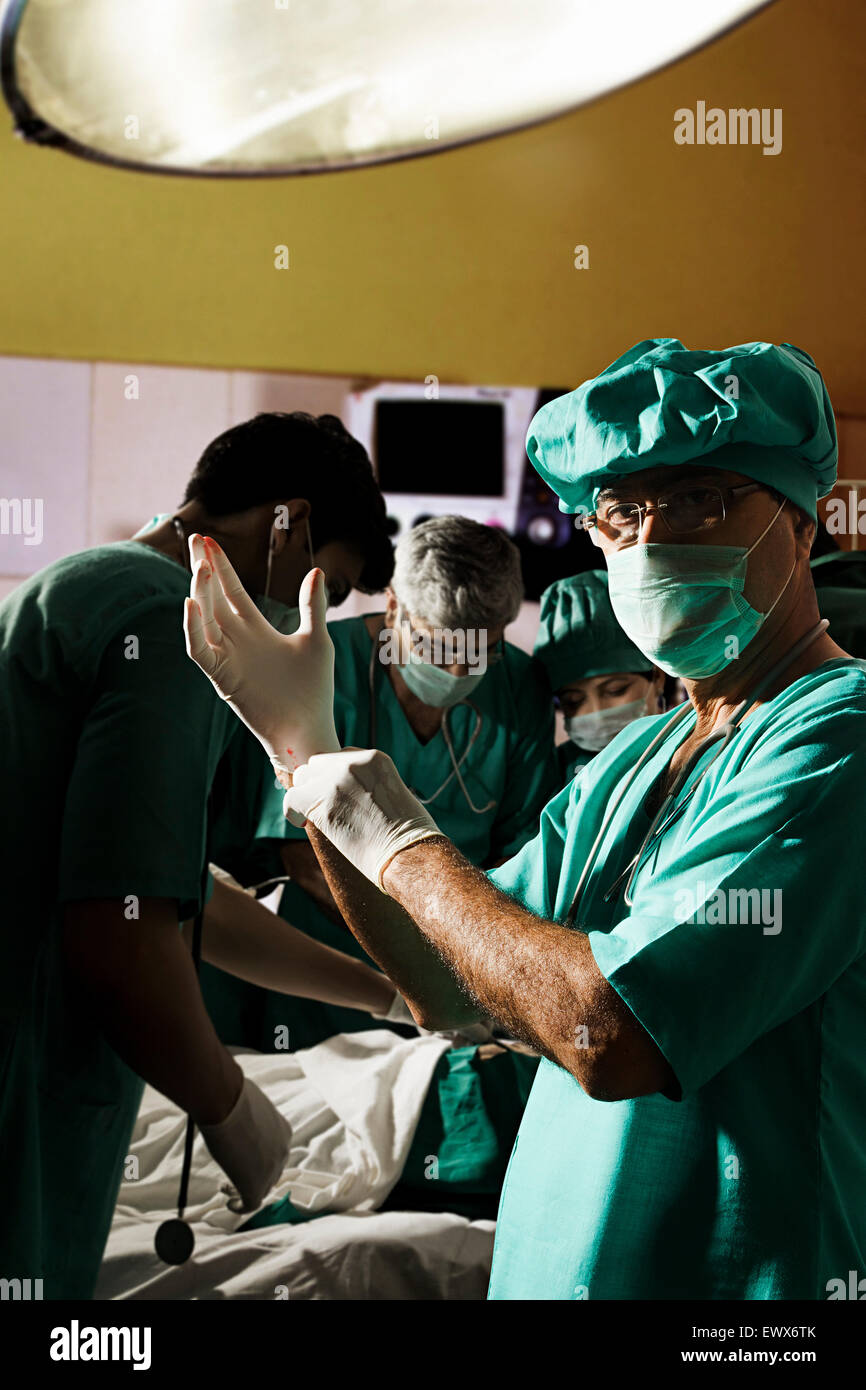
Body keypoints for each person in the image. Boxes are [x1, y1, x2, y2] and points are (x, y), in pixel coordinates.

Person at [184, 339, 866, 1300]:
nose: (652, 539)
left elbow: (610, 1031)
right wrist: (310, 757)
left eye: (700, 499)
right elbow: (447, 987)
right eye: (622, 513)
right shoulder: (634, 758)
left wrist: (397, 837)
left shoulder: (839, 738)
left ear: (802, 524)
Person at [0, 409, 394, 1299]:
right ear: (286, 523)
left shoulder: (90, 586)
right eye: (321, 587)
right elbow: (121, 941)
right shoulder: (167, 629)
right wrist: (231, 1108)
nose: (312, 623)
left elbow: (175, 896)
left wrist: (386, 994)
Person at [202, 514, 559, 1051]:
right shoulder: (319, 665)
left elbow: (524, 851)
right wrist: (428, 965)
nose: (460, 675)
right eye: (441, 651)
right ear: (394, 606)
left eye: (479, 654)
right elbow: (303, 854)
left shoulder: (518, 685)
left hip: (476, 958)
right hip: (331, 957)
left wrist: (484, 965)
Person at [534, 570, 666, 783]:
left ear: (658, 677)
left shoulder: (698, 750)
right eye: (573, 701)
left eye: (615, 690)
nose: (597, 714)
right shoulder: (553, 775)